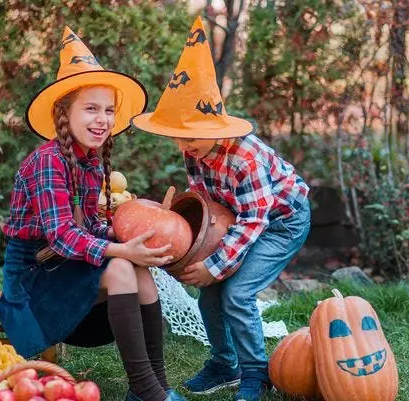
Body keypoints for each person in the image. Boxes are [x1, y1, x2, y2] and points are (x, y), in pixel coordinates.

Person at [0, 26, 187, 401]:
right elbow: (63, 236)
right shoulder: (47, 163)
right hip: (34, 278)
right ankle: (147, 389)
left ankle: (154, 385)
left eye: (109, 110)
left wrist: (133, 242)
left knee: (138, 269)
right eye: (91, 109)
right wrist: (120, 251)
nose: (102, 119)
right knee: (120, 266)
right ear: (63, 114)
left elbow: (94, 227)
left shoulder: (89, 161)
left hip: (64, 267)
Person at [131, 17, 311, 401]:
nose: (184, 147)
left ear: (215, 130)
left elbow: (253, 220)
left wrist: (215, 266)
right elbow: (206, 209)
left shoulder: (244, 157)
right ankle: (224, 363)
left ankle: (256, 374)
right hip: (239, 219)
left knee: (237, 293)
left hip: (282, 221)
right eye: (178, 137)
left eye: (191, 137)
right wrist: (189, 255)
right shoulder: (194, 153)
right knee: (210, 295)